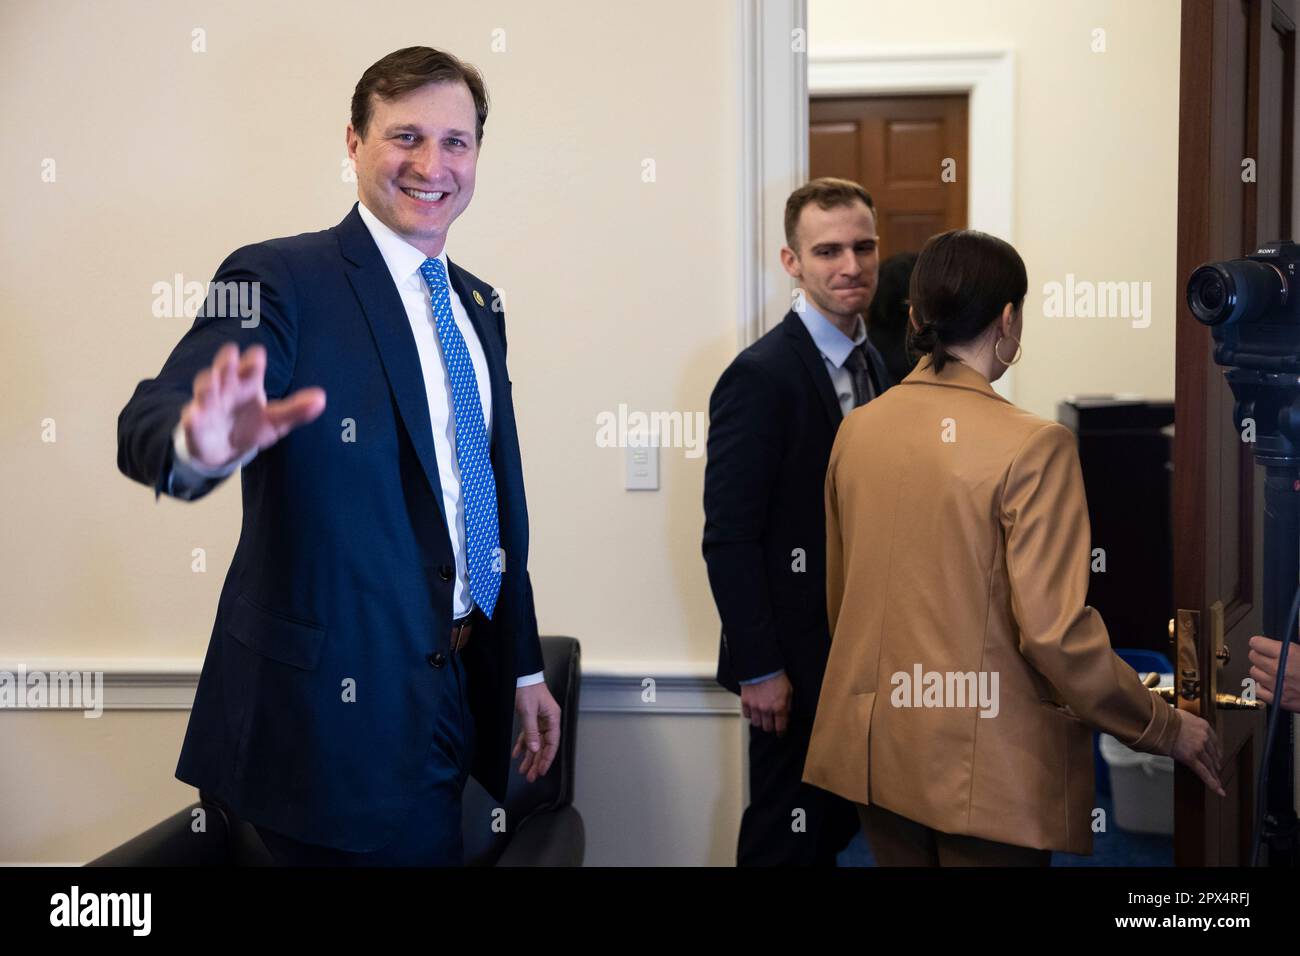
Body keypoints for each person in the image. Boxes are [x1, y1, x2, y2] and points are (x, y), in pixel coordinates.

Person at [116, 46, 560, 865]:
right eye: (405, 137)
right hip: (324, 724)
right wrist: (195, 440)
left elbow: (486, 503)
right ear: (352, 143)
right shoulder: (281, 278)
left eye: (456, 142)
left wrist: (523, 668)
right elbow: (161, 411)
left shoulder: (479, 304)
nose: (433, 165)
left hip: (454, 691)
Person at [803, 228, 1223, 866]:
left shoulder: (856, 430)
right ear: (1008, 319)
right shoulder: (1035, 445)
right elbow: (1055, 635)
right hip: (986, 763)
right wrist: (1163, 726)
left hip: (875, 748)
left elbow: (844, 603)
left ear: (916, 317)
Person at [703, 177, 892, 865]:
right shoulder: (761, 375)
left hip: (866, 659)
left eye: (864, 247)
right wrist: (759, 668)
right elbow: (728, 536)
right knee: (785, 841)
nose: (850, 266)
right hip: (790, 669)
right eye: (829, 250)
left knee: (841, 829)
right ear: (792, 262)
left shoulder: (883, 364)